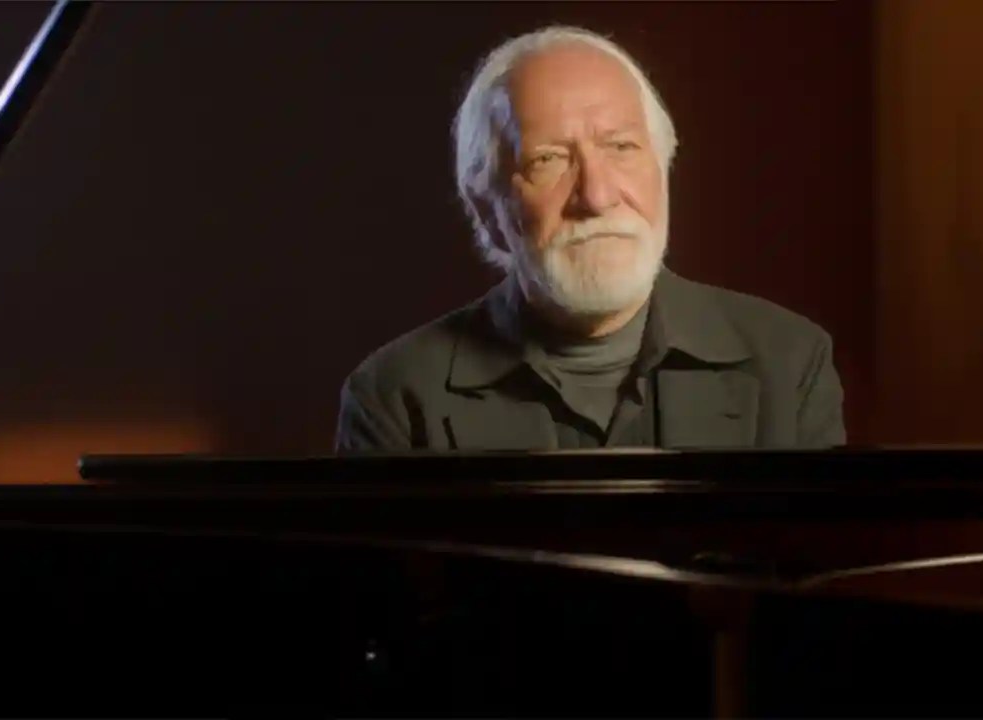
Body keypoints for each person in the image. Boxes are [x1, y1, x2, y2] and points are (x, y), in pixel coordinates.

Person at [335, 25, 845, 452]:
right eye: (548, 159)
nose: (597, 196)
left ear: (663, 171)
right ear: (486, 209)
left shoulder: (790, 363)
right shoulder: (395, 399)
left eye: (621, 147)